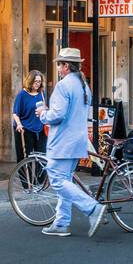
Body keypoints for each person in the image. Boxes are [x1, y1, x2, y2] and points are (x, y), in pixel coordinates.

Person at [35, 47, 107, 238]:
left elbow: (57, 115)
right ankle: (61, 223)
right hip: (78, 141)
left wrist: (43, 114)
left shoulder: (63, 85)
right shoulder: (83, 85)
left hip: (62, 143)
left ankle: (92, 208)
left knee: (58, 182)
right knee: (65, 181)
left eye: (59, 64)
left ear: (66, 66)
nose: (58, 68)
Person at [11, 70, 48, 159]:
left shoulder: (41, 93)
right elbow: (15, 113)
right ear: (30, 81)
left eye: (39, 81)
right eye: (35, 81)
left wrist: (45, 109)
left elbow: (45, 107)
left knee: (41, 157)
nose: (37, 84)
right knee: (26, 157)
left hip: (40, 128)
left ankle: (39, 173)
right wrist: (19, 125)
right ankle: (26, 173)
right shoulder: (22, 95)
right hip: (25, 129)